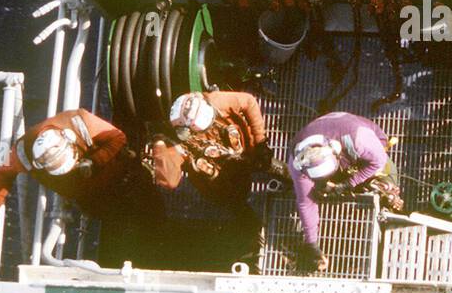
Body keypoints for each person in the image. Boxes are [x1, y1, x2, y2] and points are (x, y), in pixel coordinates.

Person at [150, 91, 285, 264]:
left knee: (269, 164)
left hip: (247, 153)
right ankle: (253, 235)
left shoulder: (215, 102)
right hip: (221, 183)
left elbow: (249, 101)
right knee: (237, 204)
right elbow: (168, 181)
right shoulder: (177, 144)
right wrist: (159, 145)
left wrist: (260, 142)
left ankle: (289, 177)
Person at [0, 108, 152, 241]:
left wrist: (94, 161)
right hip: (92, 199)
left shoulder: (81, 121)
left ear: (69, 142)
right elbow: (3, 174)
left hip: (120, 175)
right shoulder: (21, 153)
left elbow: (118, 138)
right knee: (119, 227)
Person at [288, 110, 405, 273]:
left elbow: (378, 161)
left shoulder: (358, 138)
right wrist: (312, 244)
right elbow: (306, 203)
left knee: (388, 186)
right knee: (315, 192)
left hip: (366, 148)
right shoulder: (298, 164)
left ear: (335, 153)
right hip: (335, 150)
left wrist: (348, 184)